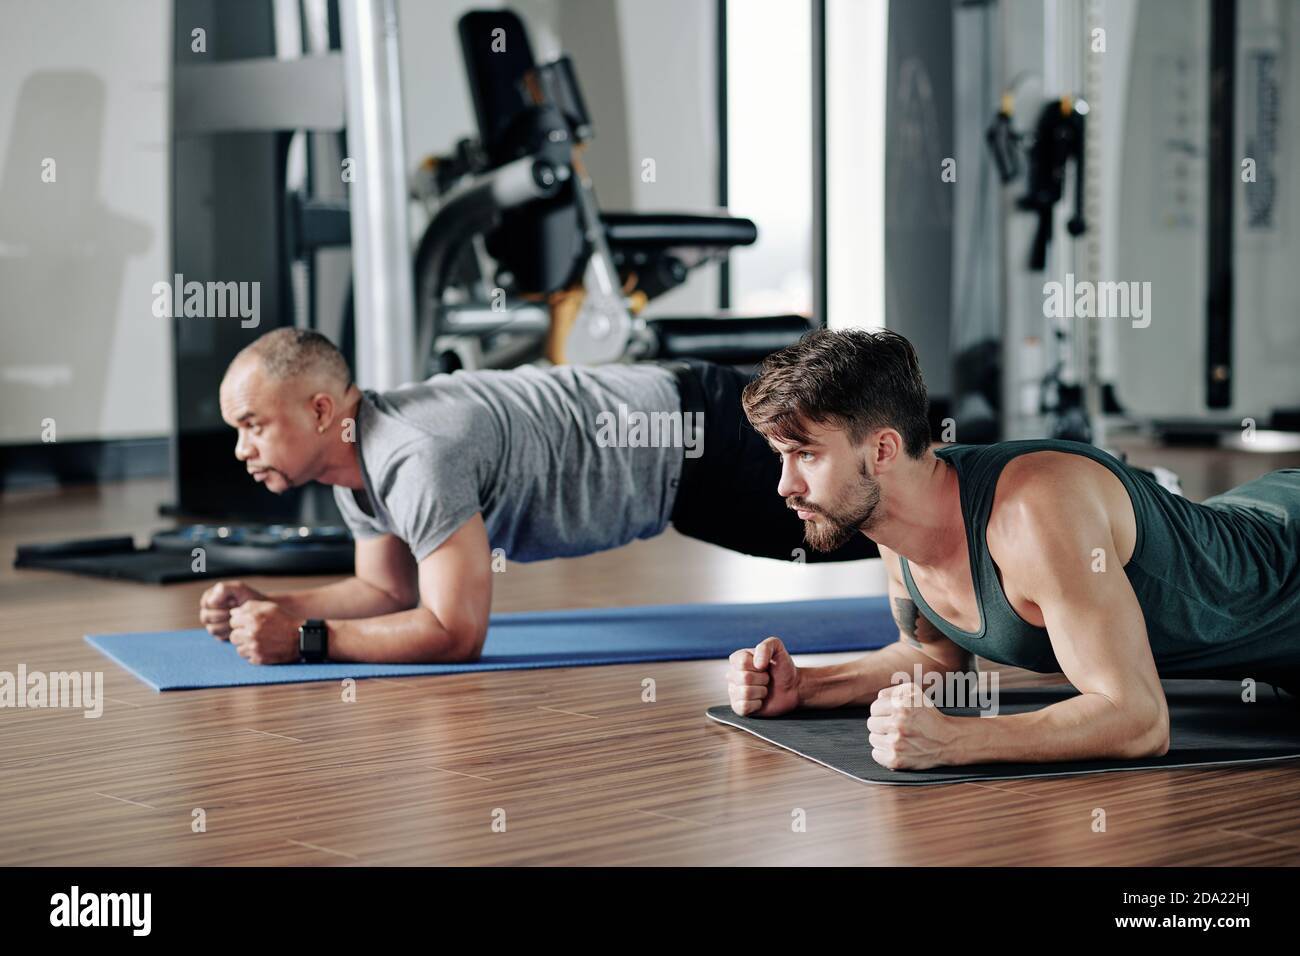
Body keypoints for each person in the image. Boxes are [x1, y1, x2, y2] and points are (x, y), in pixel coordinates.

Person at [726, 327, 1300, 770]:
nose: (785, 486)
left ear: (882, 450)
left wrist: (956, 740)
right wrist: (808, 686)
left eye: (806, 456)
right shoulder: (897, 532)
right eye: (782, 457)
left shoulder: (1032, 512)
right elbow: (933, 660)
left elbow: (1140, 720)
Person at [200, 328, 876, 664]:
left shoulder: (412, 454)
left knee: (889, 511)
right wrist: (273, 606)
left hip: (701, 437)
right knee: (878, 527)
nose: (240, 450)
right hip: (678, 481)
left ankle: (981, 525)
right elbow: (385, 593)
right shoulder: (354, 459)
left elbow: (455, 632)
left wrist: (308, 640)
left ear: (320, 411)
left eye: (252, 426)